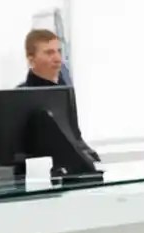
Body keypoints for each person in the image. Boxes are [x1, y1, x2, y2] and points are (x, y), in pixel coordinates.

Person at [17, 28, 99, 163]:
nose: (57, 58)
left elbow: (75, 138)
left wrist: (92, 159)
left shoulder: (65, 92)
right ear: (31, 60)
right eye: (49, 53)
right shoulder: (20, 97)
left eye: (58, 52)